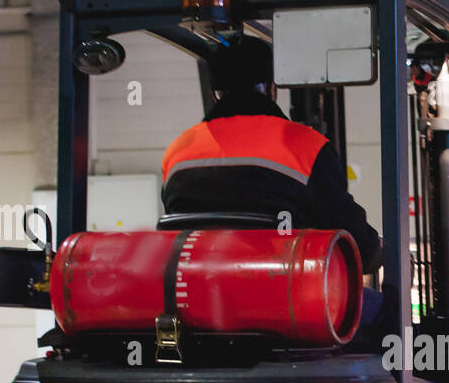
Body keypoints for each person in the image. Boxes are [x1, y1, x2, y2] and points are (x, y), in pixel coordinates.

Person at [161, 35, 383, 276]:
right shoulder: (306, 147)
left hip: (199, 299)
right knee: (380, 306)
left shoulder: (178, 151)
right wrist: (380, 251)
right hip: (287, 301)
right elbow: (361, 250)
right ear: (271, 88)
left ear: (215, 93)